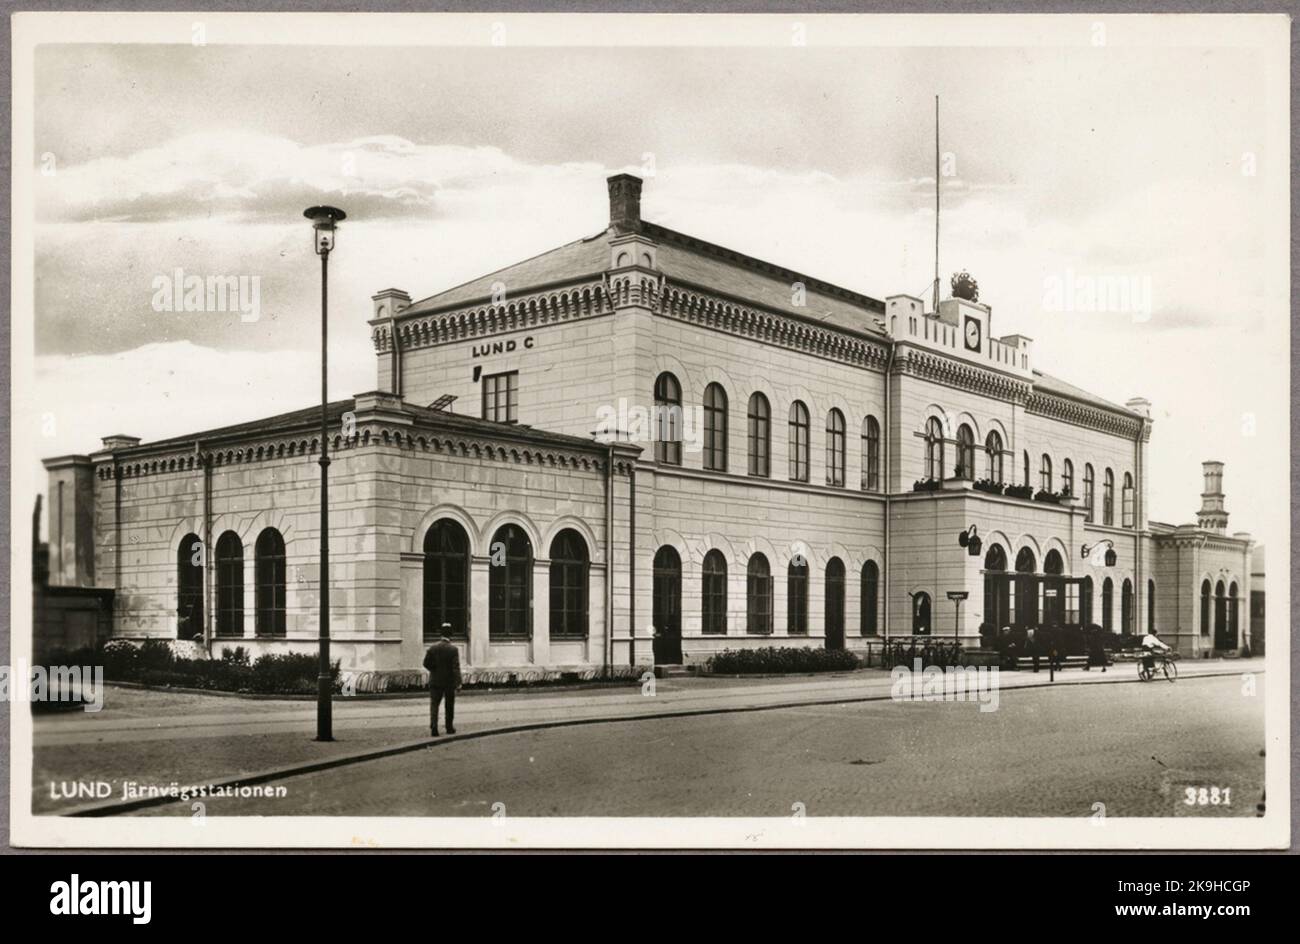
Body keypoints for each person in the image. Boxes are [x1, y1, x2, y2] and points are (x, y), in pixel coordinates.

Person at [423, 624, 462, 736]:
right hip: (449, 682)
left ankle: (434, 727)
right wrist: (458, 683)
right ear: (451, 635)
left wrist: (434, 669)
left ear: (441, 634)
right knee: (449, 705)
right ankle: (449, 727)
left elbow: (425, 663)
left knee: (434, 704)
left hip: (435, 680)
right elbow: (456, 668)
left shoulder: (432, 648)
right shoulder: (453, 649)